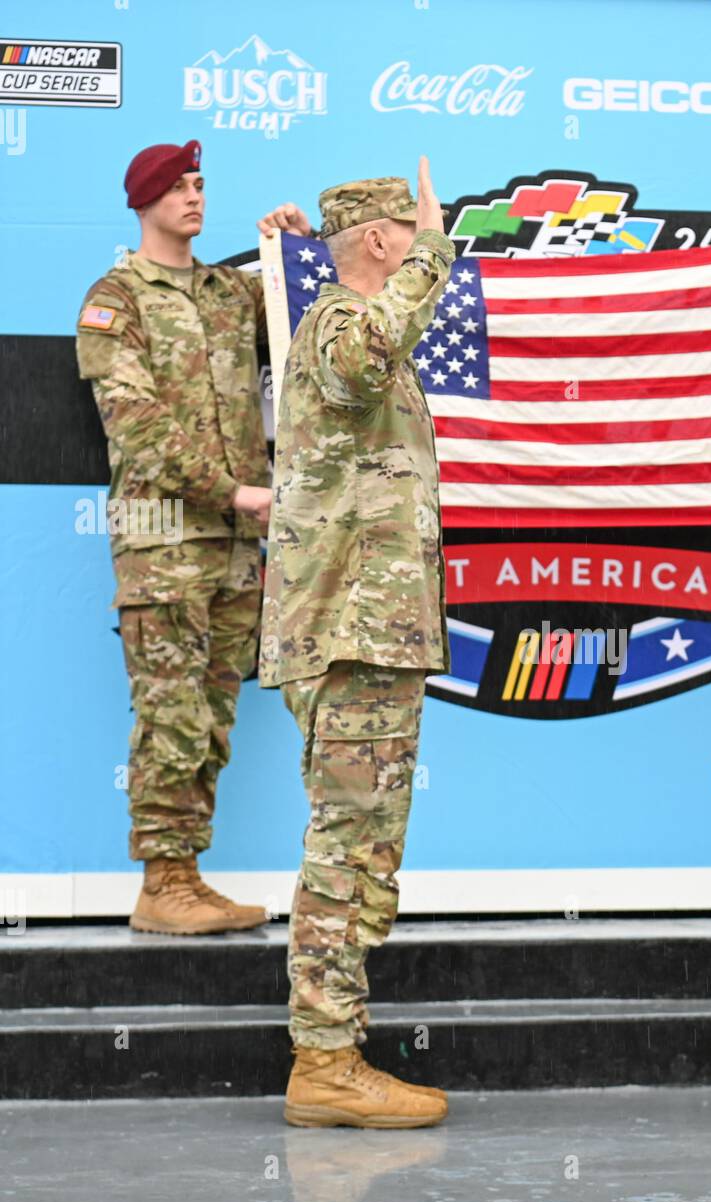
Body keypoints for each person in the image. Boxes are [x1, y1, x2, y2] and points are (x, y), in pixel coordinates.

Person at [260, 159, 453, 1129]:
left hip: (374, 633)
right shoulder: (343, 324)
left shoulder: (354, 323)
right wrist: (434, 257)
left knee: (364, 843)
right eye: (411, 230)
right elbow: (362, 354)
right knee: (348, 844)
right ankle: (324, 1060)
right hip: (352, 633)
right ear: (380, 240)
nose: (425, 242)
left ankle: (336, 1050)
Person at [76, 140, 311, 935]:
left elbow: (304, 322)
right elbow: (137, 427)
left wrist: (294, 246)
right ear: (144, 200)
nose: (195, 197)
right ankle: (161, 882)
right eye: (178, 187)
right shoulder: (115, 299)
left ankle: (185, 872)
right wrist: (236, 491)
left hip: (237, 546)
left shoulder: (228, 293)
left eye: (202, 185)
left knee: (212, 715)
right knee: (170, 712)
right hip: (165, 542)